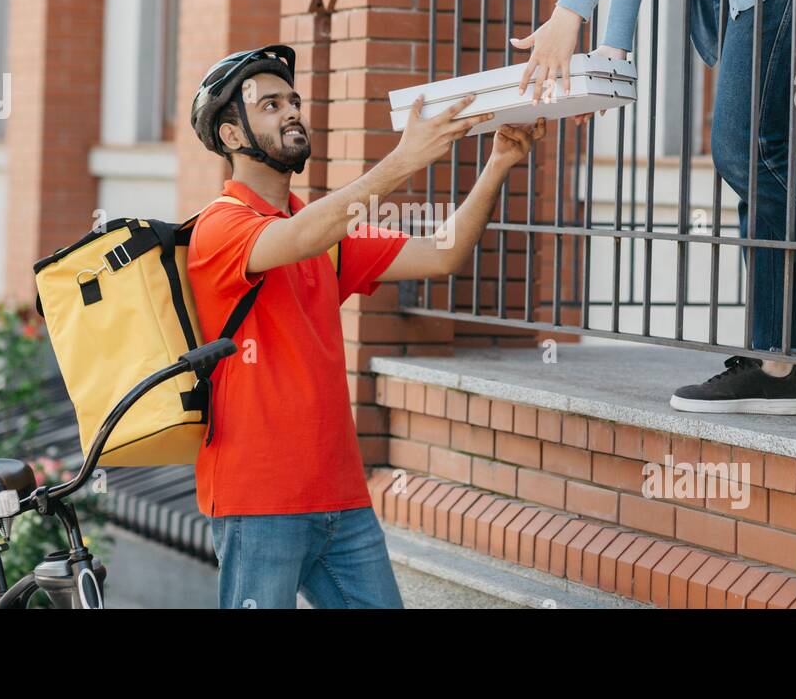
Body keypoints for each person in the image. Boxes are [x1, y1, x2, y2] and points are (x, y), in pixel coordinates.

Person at [186, 45, 545, 608]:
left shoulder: (322, 235)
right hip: (258, 501)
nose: (291, 112)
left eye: (294, 100)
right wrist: (405, 159)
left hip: (342, 500)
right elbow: (300, 237)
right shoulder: (221, 226)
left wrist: (498, 162)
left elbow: (441, 254)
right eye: (270, 104)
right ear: (232, 137)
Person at [511, 0, 796, 416]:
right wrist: (614, 47)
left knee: (745, 149)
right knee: (759, 158)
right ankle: (774, 363)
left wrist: (569, 13)